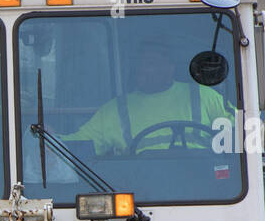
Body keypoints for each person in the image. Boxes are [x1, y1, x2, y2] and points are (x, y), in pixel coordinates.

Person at [66, 39, 233, 157]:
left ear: (170, 67)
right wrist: (51, 137)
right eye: (140, 64)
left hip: (205, 185)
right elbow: (80, 144)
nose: (143, 70)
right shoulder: (117, 108)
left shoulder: (203, 95)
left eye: (151, 64)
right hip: (142, 190)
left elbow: (239, 128)